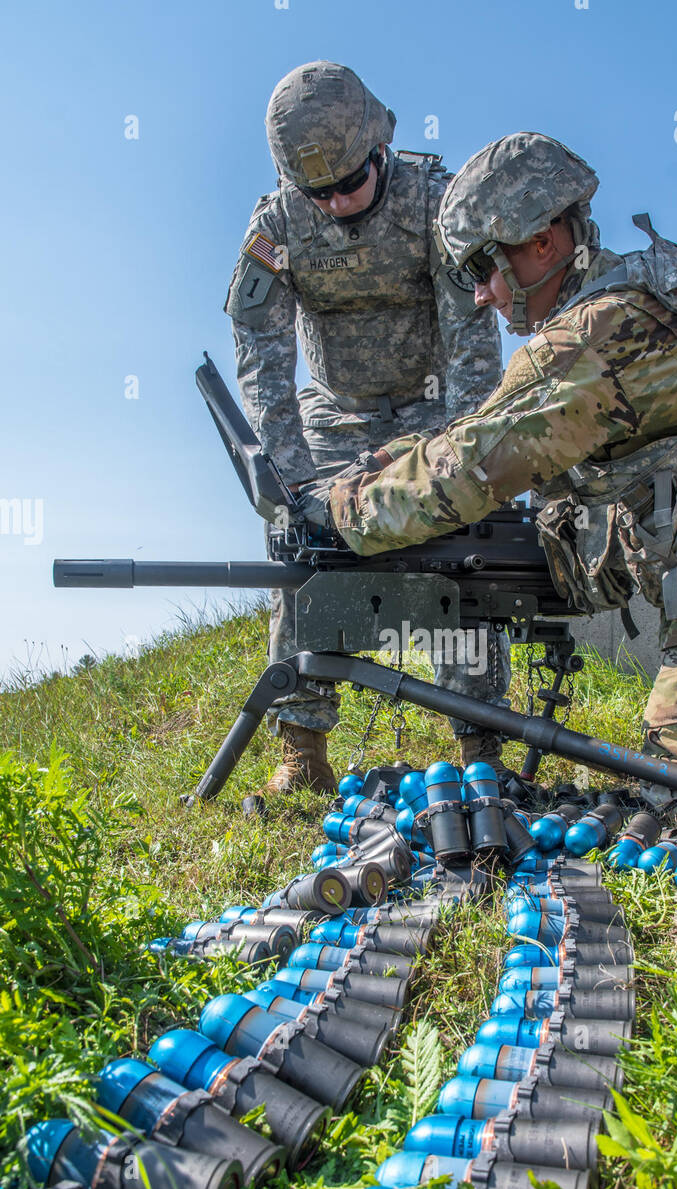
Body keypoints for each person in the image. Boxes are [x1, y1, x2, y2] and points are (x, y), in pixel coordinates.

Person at [326, 131, 677, 818]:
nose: (483, 296)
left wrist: (343, 510)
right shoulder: (641, 289)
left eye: (483, 270)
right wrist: (399, 458)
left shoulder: (589, 340)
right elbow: (490, 431)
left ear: (542, 243)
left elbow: (463, 472)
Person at [225, 61, 506, 793]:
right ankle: (302, 749)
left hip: (433, 404)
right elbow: (261, 356)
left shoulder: (436, 206)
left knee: (462, 552)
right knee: (303, 554)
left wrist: (456, 451)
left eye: (349, 183)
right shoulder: (277, 224)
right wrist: (289, 478)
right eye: (318, 193)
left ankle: (482, 747)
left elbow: (474, 351)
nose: (336, 204)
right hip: (331, 411)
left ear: (381, 148)